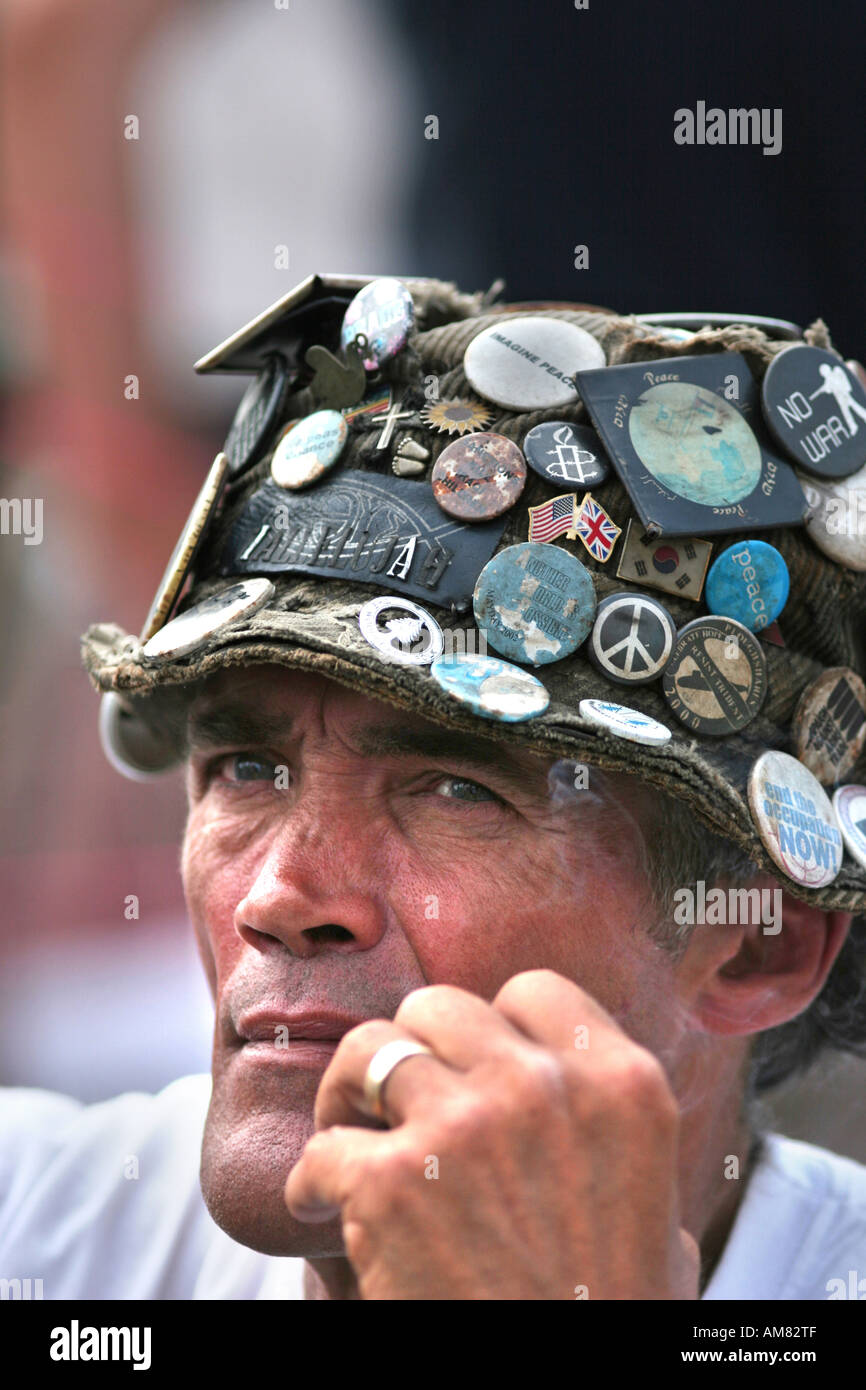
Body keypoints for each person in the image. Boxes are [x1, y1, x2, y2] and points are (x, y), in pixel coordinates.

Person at [3, 274, 866, 1301]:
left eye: (455, 790)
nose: (279, 897)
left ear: (755, 941)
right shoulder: (39, 1223)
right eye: (245, 769)